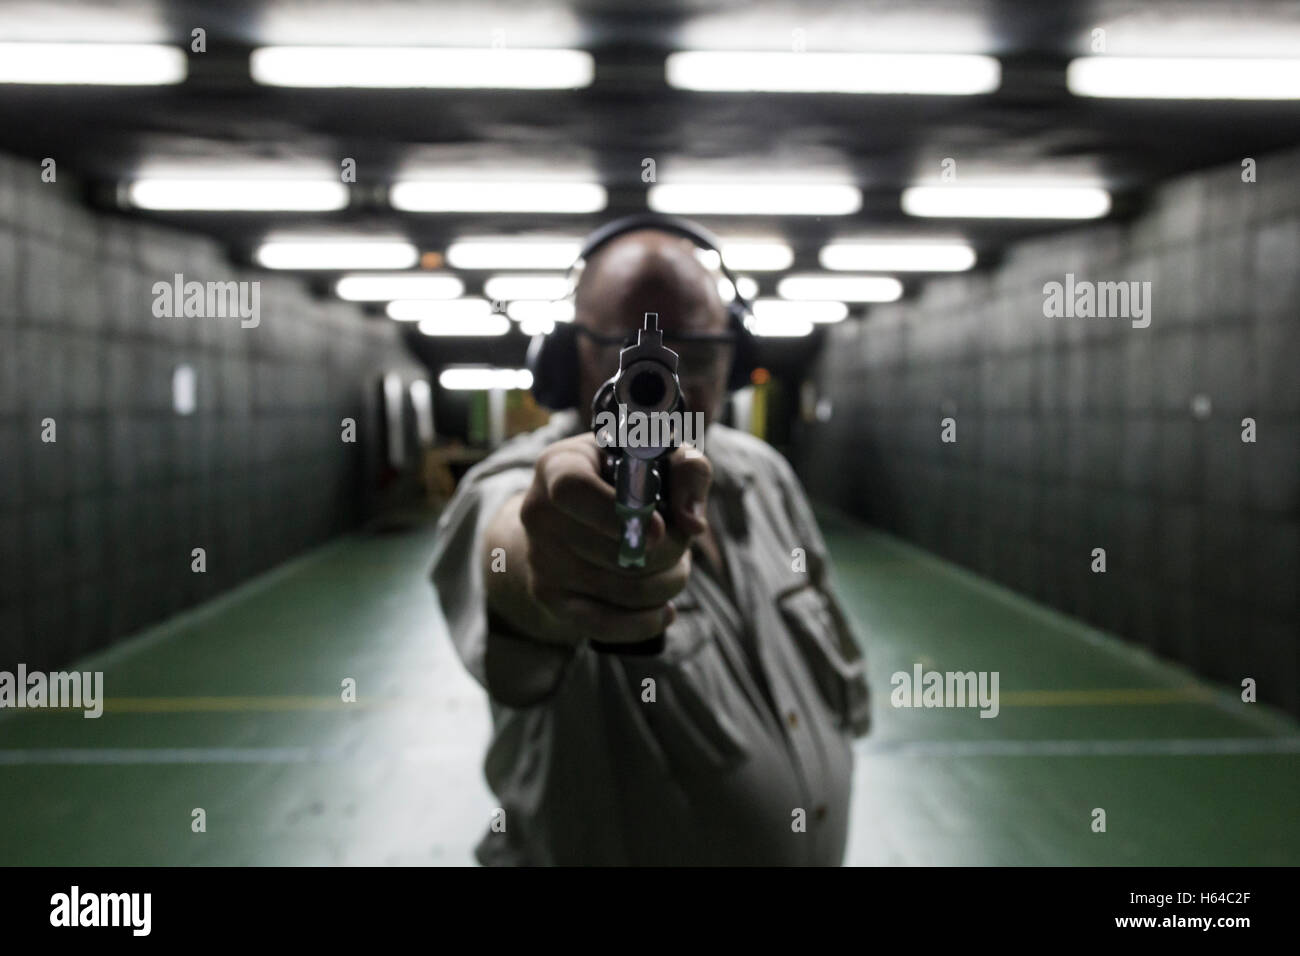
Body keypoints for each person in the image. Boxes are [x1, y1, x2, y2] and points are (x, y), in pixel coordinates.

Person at [430, 223, 870, 865]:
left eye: (698, 353)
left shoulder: (764, 475)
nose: (674, 386)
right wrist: (559, 561)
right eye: (633, 355)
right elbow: (516, 553)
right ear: (566, 357)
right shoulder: (519, 485)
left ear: (736, 352)